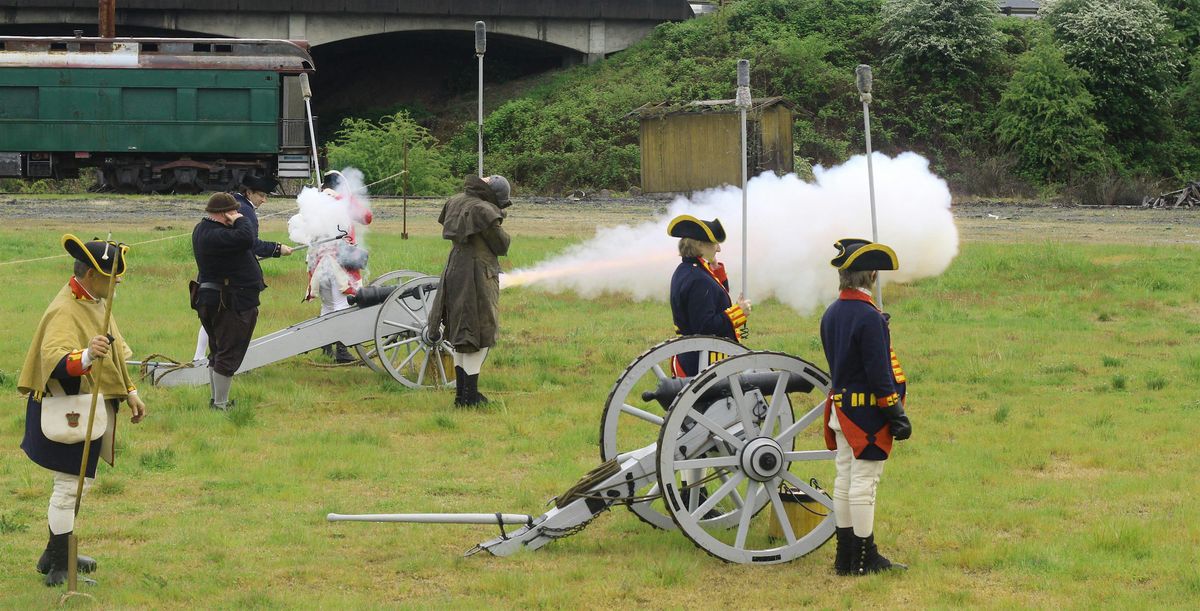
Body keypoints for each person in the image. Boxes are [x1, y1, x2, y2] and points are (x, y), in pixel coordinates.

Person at [18, 234, 147, 587]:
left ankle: (54, 554)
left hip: (84, 407)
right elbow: (55, 361)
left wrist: (130, 392)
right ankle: (61, 567)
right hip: (65, 409)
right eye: (112, 277)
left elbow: (114, 352)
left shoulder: (93, 299)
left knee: (76, 486)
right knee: (68, 488)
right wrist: (88, 354)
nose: (117, 283)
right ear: (91, 274)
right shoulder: (65, 308)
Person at [819, 238, 912, 576]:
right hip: (867, 414)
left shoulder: (832, 313)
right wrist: (895, 413)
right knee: (864, 483)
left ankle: (845, 557)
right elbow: (879, 376)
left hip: (841, 409)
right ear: (872, 275)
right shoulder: (868, 317)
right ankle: (864, 557)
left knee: (845, 478)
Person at [429, 175, 512, 406]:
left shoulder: (456, 201)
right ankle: (470, 396)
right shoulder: (483, 210)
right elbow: (501, 245)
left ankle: (461, 396)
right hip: (476, 275)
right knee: (478, 334)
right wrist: (498, 220)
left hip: (455, 269)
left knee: (462, 335)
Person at [192, 173, 292, 361]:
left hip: (215, 274)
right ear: (249, 193)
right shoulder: (245, 211)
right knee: (228, 324)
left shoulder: (236, 205)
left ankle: (200, 357)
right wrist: (277, 249)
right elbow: (250, 242)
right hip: (229, 281)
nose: (264, 200)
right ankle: (219, 359)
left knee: (214, 322)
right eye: (261, 195)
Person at [191, 192, 267, 410]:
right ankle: (220, 404)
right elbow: (247, 238)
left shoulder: (206, 230)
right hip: (228, 302)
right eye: (233, 211)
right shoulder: (215, 234)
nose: (237, 214)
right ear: (224, 213)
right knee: (227, 353)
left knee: (218, 352)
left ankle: (217, 401)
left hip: (217, 299)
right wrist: (240, 220)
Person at [667, 215, 751, 377]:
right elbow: (705, 327)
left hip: (690, 355)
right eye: (714, 243)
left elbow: (712, 300)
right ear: (700, 244)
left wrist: (716, 271)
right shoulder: (699, 279)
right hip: (704, 362)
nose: (718, 249)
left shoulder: (686, 270)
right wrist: (738, 313)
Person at [304, 170, 373, 363]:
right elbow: (367, 217)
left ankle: (326, 347)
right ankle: (341, 351)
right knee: (343, 306)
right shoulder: (341, 202)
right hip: (338, 264)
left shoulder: (314, 203)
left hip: (318, 264)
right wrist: (344, 198)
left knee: (328, 305)